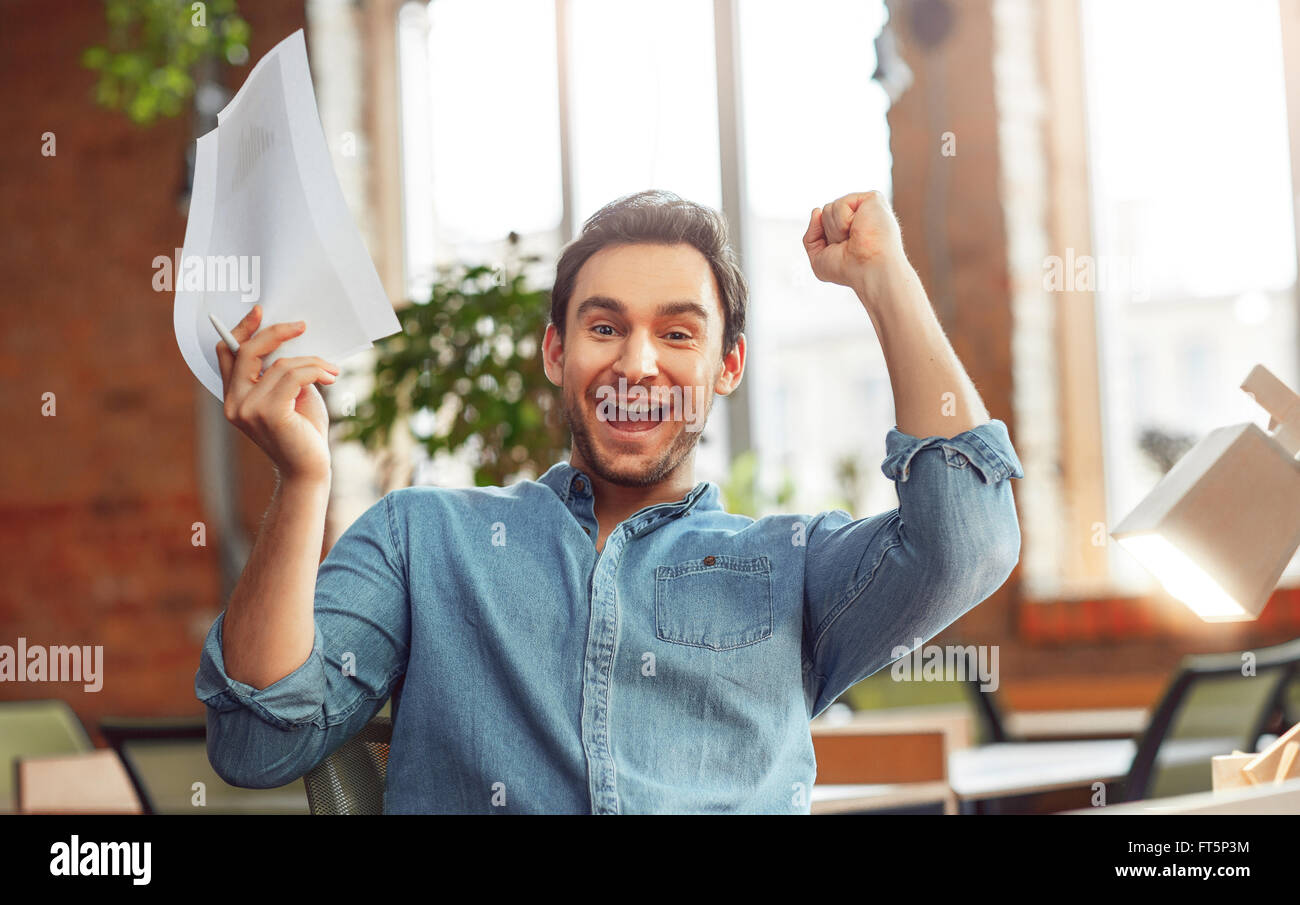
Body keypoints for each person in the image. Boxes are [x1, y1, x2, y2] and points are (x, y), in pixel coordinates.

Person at [196, 189, 1024, 813]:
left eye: (677, 333)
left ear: (726, 368)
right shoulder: (423, 539)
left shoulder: (795, 565)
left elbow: (969, 540)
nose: (637, 363)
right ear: (556, 351)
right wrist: (303, 480)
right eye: (604, 327)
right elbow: (256, 739)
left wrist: (886, 280)